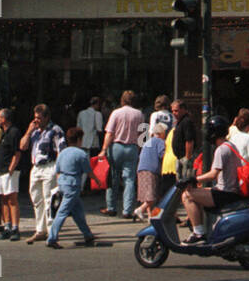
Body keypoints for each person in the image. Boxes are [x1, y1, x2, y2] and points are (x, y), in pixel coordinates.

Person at [181, 116, 241, 242]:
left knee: (187, 195)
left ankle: (198, 233)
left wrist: (194, 179)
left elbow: (213, 174)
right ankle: (205, 228)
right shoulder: (231, 146)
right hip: (231, 190)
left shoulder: (221, 150)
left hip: (225, 192)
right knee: (199, 194)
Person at [20, 104, 65, 244]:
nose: (37, 120)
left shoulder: (55, 130)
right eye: (35, 118)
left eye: (39, 118)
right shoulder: (34, 131)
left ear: (46, 117)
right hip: (36, 167)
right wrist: (28, 131)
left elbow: (61, 150)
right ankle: (40, 230)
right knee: (36, 199)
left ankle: (51, 231)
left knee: (48, 199)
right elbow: (22, 146)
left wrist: (59, 170)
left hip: (49, 166)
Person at [46, 127, 96, 248]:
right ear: (79, 139)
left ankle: (88, 235)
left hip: (62, 183)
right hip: (73, 185)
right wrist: (98, 180)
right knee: (62, 212)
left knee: (78, 211)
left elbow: (57, 170)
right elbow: (88, 171)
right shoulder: (81, 154)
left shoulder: (62, 153)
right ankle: (51, 238)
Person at [100, 90, 144, 219]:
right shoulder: (139, 114)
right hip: (132, 148)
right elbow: (143, 136)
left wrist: (104, 149)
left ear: (122, 100)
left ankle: (111, 207)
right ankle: (127, 210)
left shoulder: (116, 113)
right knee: (129, 179)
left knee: (112, 177)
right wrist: (140, 150)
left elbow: (109, 133)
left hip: (116, 147)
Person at [0, 107, 22, 242]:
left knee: (12, 199)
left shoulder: (14, 132)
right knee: (3, 199)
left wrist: (11, 168)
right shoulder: (2, 133)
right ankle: (7, 227)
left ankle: (15, 227)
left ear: (4, 119)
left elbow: (17, 152)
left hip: (8, 170)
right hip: (0, 170)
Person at [134, 123, 167, 221]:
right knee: (152, 195)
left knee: (147, 194)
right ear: (161, 133)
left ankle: (150, 216)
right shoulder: (160, 142)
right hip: (152, 170)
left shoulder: (148, 142)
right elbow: (162, 154)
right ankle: (140, 209)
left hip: (141, 169)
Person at [170, 99, 197, 179]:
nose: (174, 113)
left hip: (185, 157)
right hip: (179, 157)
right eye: (172, 111)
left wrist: (187, 158)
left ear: (183, 110)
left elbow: (189, 140)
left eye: (176, 111)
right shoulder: (179, 122)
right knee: (180, 182)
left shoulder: (186, 121)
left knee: (185, 180)